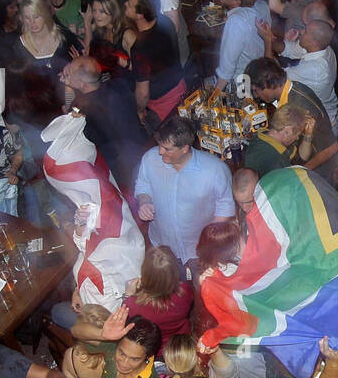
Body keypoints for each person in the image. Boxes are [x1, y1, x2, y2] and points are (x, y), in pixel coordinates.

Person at [133, 114, 235, 265]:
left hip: (198, 251)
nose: (160, 152)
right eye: (160, 145)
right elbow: (142, 184)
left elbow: (225, 208)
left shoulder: (215, 170)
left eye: (167, 149)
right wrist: (144, 202)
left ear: (185, 148)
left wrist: (209, 242)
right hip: (162, 246)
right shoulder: (150, 159)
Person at [58, 56, 149, 192]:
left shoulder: (82, 110)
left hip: (119, 170)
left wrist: (66, 87)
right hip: (142, 151)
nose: (65, 72)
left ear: (82, 83)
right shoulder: (119, 85)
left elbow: (69, 122)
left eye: (69, 72)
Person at [245, 58, 338, 172]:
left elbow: (332, 148)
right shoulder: (284, 96)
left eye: (256, 90)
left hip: (318, 170)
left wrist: (300, 172)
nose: (256, 95)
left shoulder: (303, 106)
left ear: (266, 84)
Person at [213, 0, 270, 94]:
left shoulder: (236, 21)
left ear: (237, 1)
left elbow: (226, 69)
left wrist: (213, 97)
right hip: (260, 74)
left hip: (242, 85)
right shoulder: (262, 5)